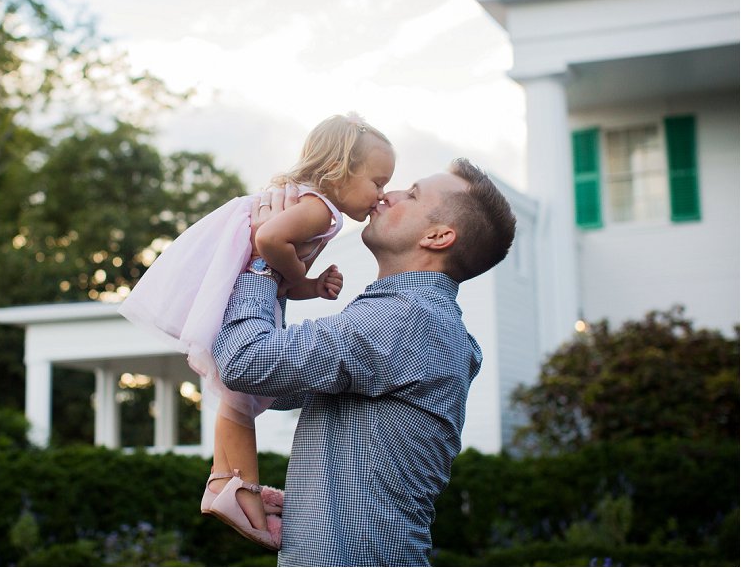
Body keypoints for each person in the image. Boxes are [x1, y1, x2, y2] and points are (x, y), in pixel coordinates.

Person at [211, 158, 517, 566]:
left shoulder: (407, 319)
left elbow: (246, 361)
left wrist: (263, 256)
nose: (385, 195)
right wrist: (312, 510)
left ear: (438, 235)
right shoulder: (409, 318)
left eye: (411, 194)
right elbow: (270, 385)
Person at [118, 113, 396, 550]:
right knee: (240, 400)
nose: (381, 195)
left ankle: (220, 481)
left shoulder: (308, 203)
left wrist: (306, 285)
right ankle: (243, 490)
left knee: (233, 399)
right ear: (340, 171)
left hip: (239, 291)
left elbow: (276, 265)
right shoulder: (321, 209)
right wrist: (302, 278)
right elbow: (268, 243)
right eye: (378, 182)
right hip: (244, 295)